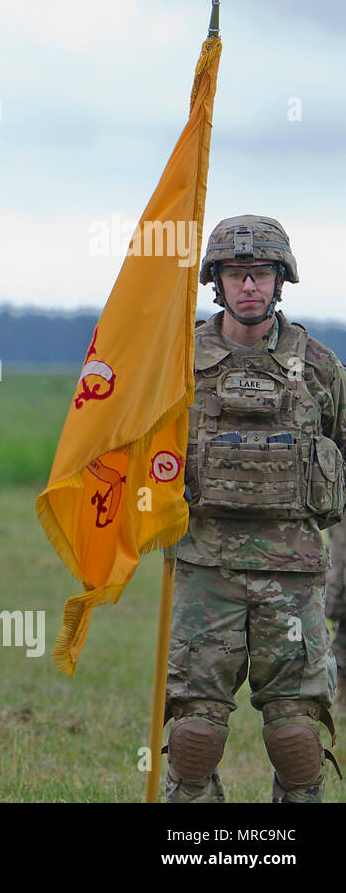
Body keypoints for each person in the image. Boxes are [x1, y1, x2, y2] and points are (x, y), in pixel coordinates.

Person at [168, 215, 345, 803]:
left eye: (261, 274)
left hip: (292, 574)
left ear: (281, 281)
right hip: (203, 568)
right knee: (193, 732)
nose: (250, 285)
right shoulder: (175, 361)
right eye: (237, 273)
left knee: (296, 734)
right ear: (217, 282)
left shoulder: (318, 366)